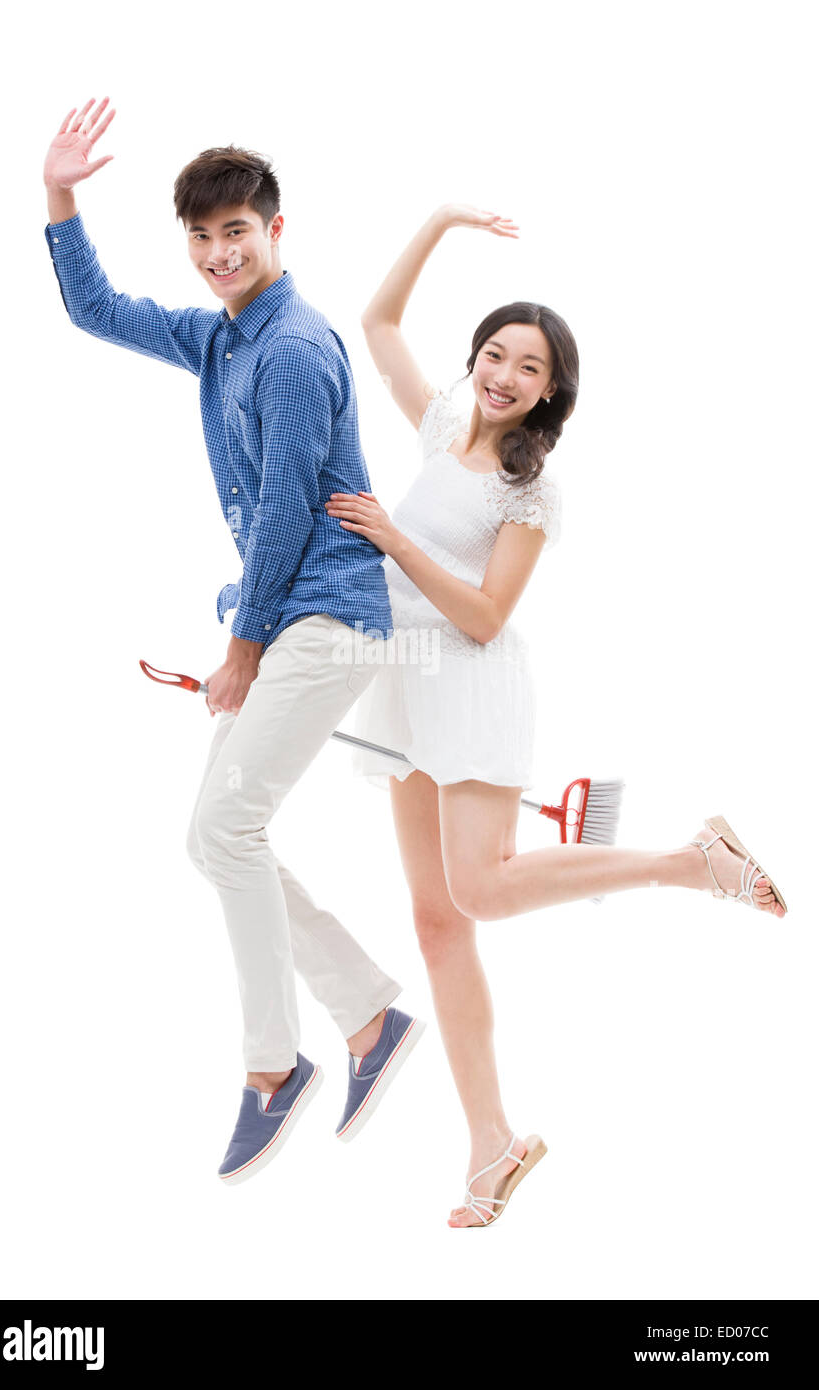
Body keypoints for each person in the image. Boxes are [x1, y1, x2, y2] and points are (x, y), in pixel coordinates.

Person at [324, 203, 788, 1228]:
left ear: (549, 390)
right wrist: (441, 218)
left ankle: (687, 861)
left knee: (479, 894)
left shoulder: (532, 491)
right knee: (437, 921)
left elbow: (486, 617)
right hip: (403, 684)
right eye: (491, 353)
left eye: (523, 367)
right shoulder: (445, 422)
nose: (499, 375)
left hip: (471, 685)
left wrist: (393, 541)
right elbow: (377, 321)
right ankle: (490, 1148)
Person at [42, 97, 424, 1187]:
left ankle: (271, 1068)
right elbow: (97, 310)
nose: (217, 254)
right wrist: (60, 195)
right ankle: (366, 1021)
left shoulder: (295, 348)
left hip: (326, 612)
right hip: (287, 614)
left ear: (275, 231)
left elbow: (289, 516)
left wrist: (245, 648)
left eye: (236, 234)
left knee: (224, 826)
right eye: (202, 239)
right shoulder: (221, 338)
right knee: (217, 837)